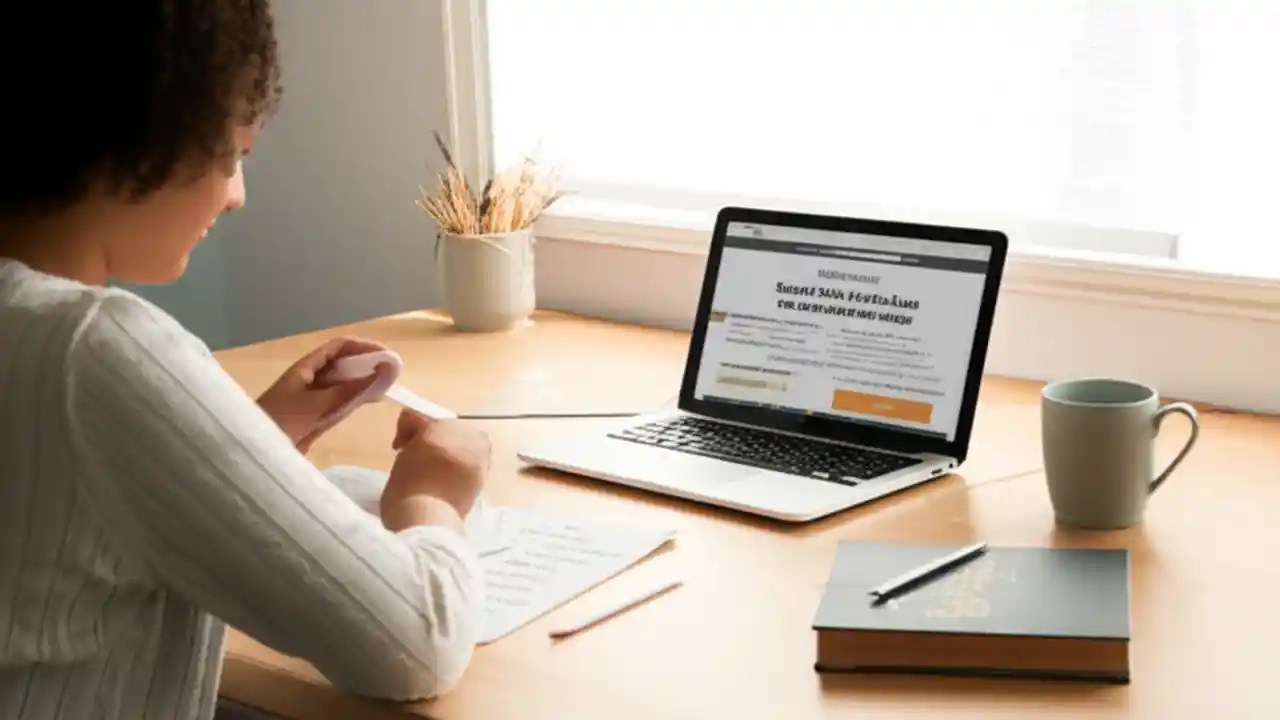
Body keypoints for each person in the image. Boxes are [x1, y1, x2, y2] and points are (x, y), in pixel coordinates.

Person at [0, 3, 490, 718]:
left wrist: (240, 435)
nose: (236, 197)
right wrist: (433, 496)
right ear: (144, 135)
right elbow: (415, 643)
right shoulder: (96, 348)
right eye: (232, 154)